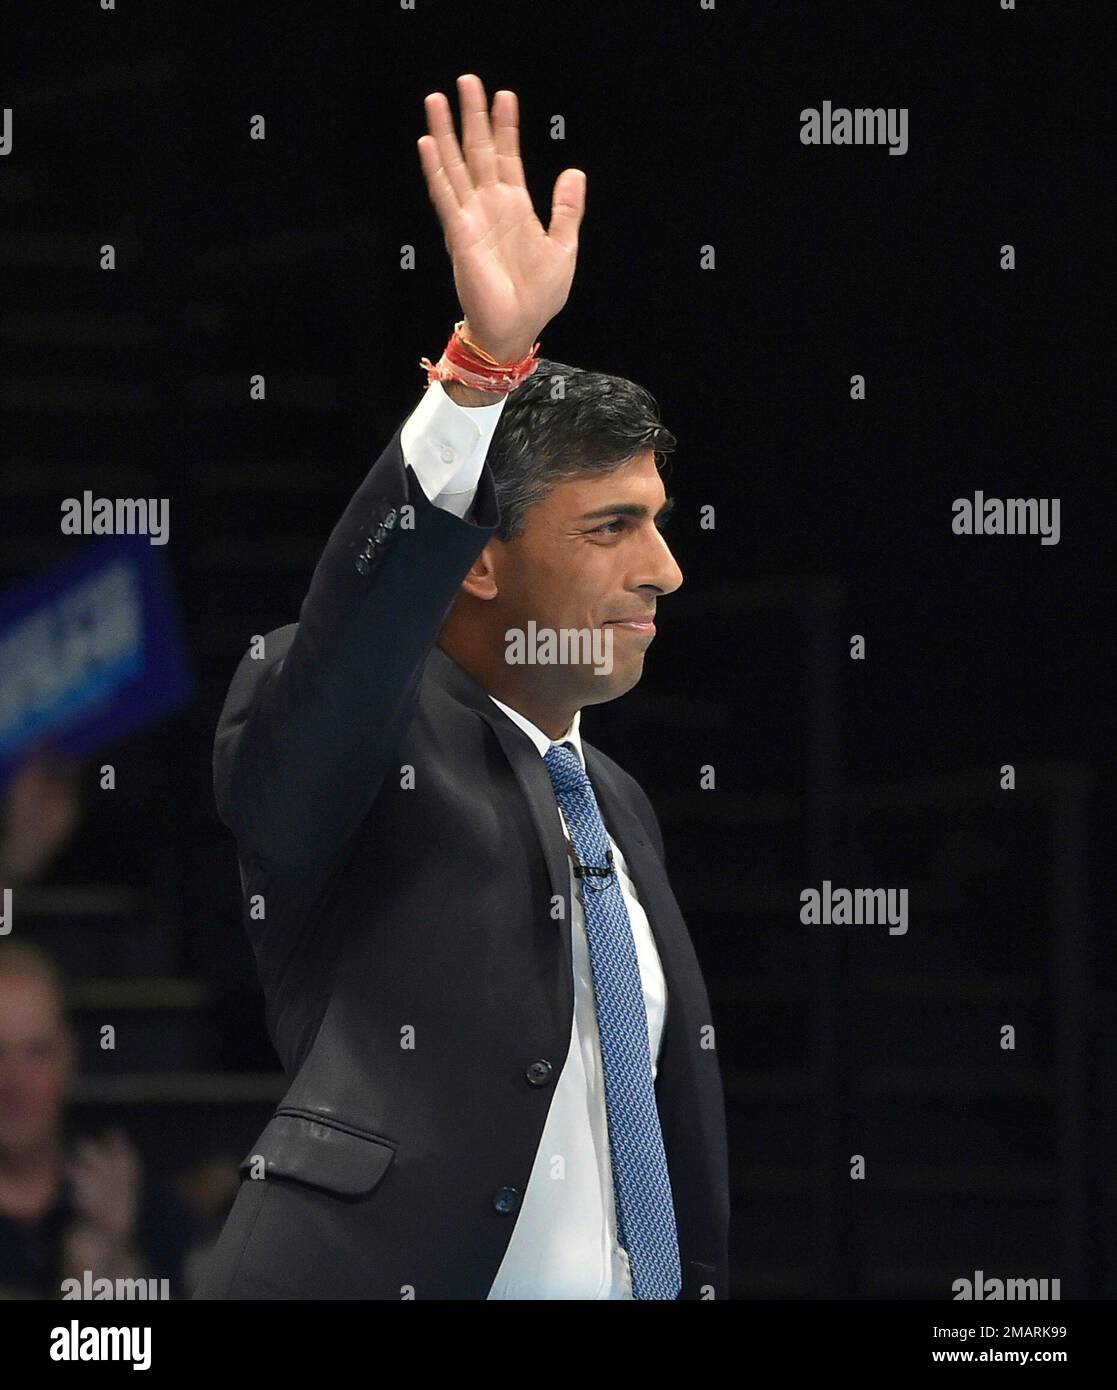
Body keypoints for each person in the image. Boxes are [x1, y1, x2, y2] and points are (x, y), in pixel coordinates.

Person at [193, 73, 729, 1301]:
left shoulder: (617, 801)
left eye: (658, 522)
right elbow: (359, 638)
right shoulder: (348, 722)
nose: (666, 569)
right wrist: (481, 371)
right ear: (479, 557)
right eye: (611, 528)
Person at [0, 941, 197, 1299]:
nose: (15, 1080)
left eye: (37, 1052)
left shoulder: (148, 1212)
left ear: (68, 1058)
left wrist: (118, 1260)